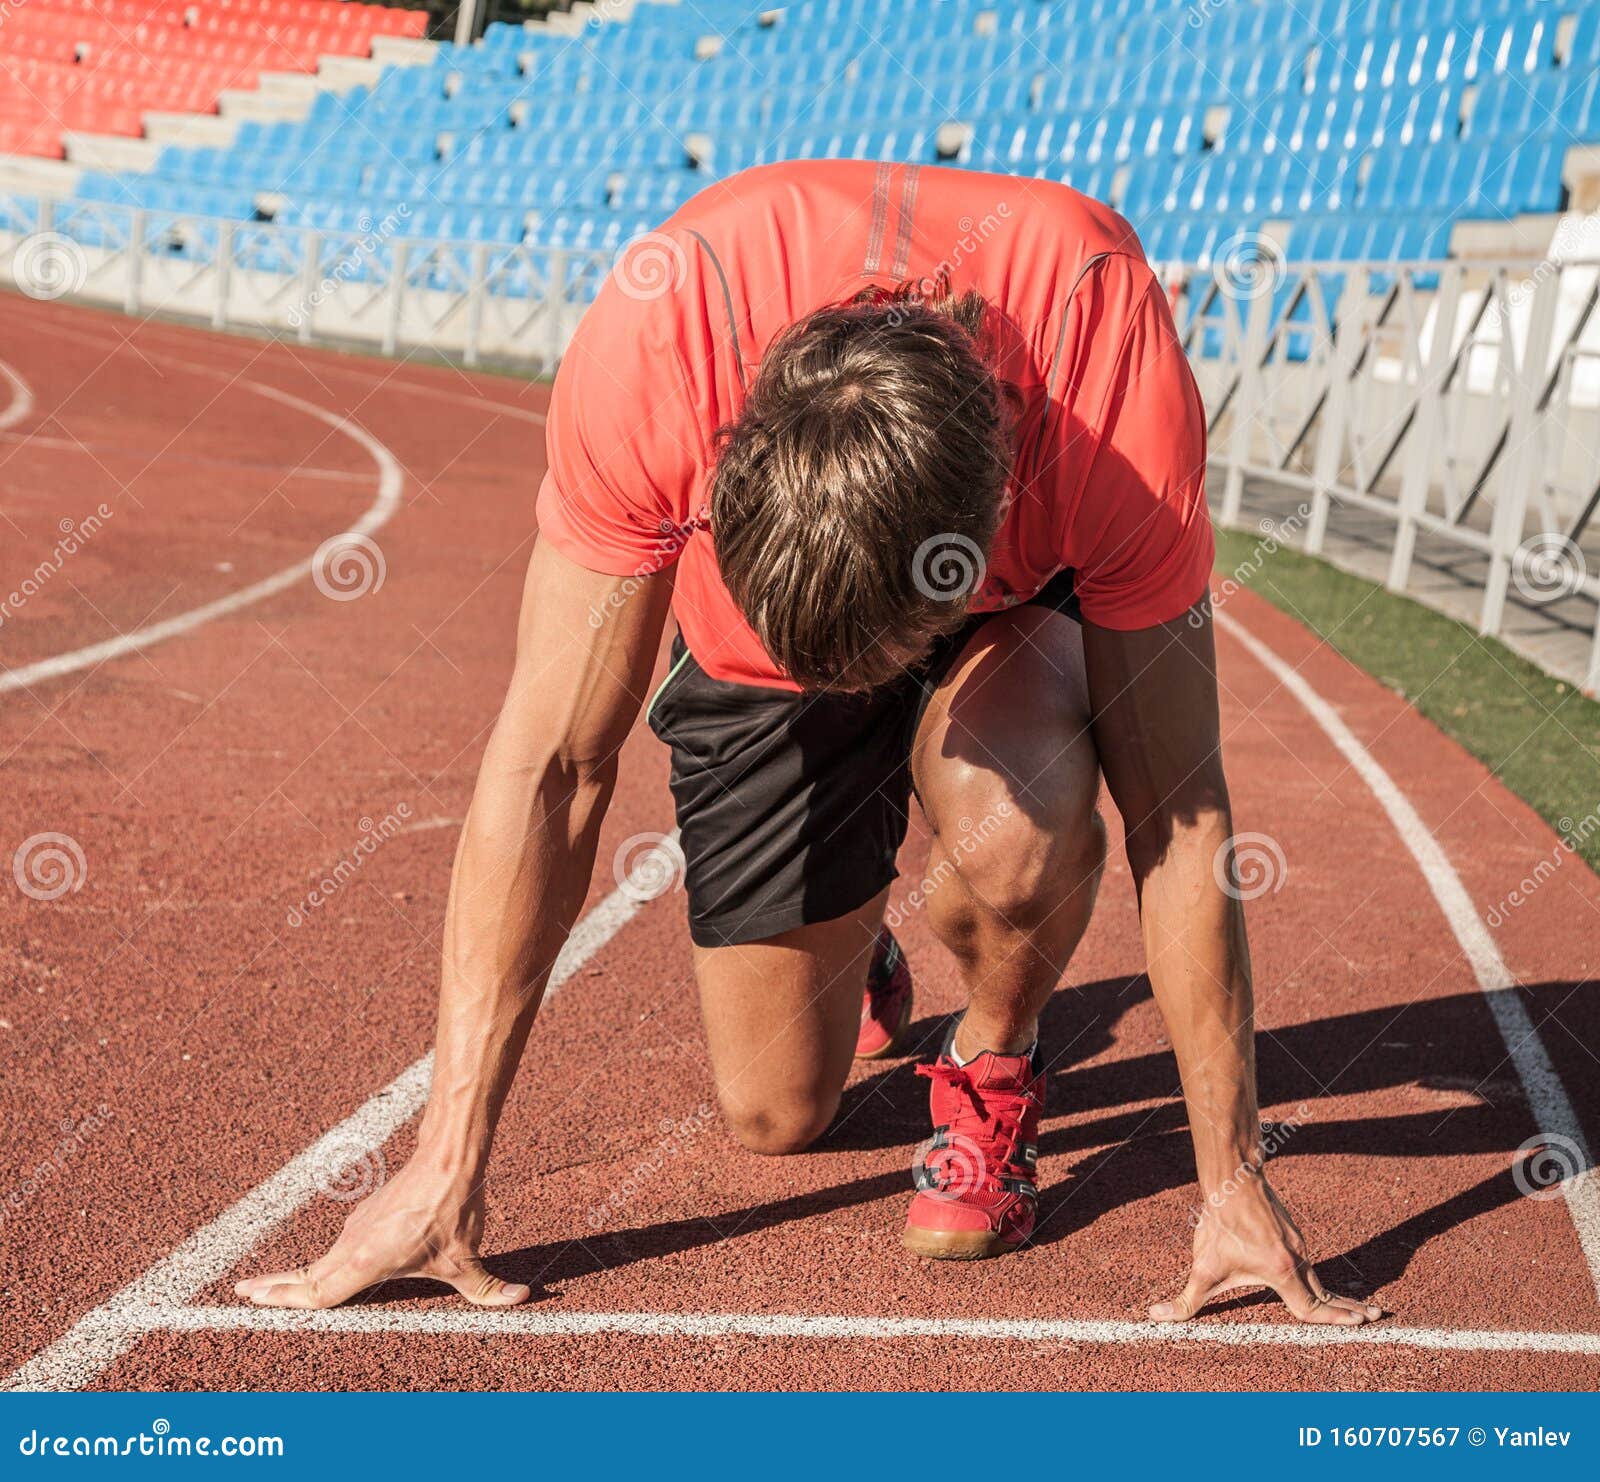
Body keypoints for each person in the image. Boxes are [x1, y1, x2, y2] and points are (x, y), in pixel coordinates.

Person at [238, 160, 1381, 1326]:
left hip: (1007, 623)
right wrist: (443, 1166)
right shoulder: (663, 336)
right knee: (775, 1115)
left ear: (986, 522)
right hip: (759, 648)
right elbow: (553, 769)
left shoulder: (1102, 352)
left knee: (1022, 831)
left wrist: (1232, 1180)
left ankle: (994, 1054)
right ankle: (858, 941)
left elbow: (1176, 806)